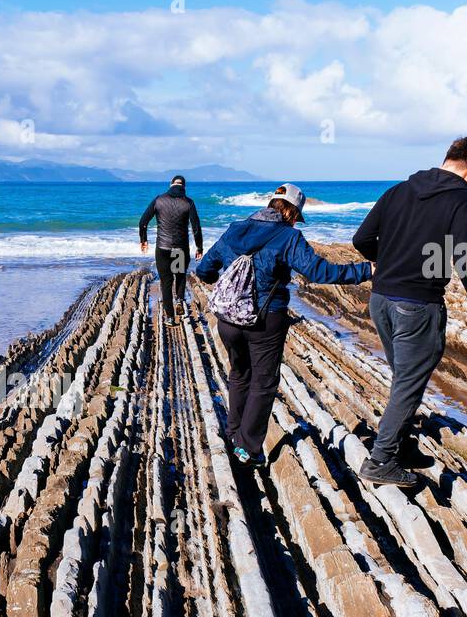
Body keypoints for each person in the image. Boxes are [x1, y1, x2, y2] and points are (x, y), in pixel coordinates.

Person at [351, 136, 467, 488]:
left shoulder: (398, 190)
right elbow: (464, 258)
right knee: (407, 384)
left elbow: (361, 239)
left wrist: (386, 261)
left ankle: (400, 447)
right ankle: (381, 459)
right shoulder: (461, 201)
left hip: (381, 300)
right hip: (417, 305)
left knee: (404, 377)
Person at [193, 183, 371, 468]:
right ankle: (248, 449)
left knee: (239, 375)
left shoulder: (234, 229)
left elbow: (203, 270)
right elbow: (319, 272)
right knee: (263, 383)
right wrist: (365, 270)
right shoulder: (288, 237)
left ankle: (234, 434)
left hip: (228, 319)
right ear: (291, 213)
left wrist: (224, 281)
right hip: (265, 320)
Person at [140, 175, 203, 326]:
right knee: (180, 276)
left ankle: (170, 317)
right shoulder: (188, 203)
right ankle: (180, 299)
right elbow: (196, 228)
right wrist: (199, 247)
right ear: (184, 186)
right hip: (179, 249)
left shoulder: (159, 200)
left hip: (162, 248)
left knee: (166, 282)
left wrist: (144, 240)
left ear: (170, 184)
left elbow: (143, 221)